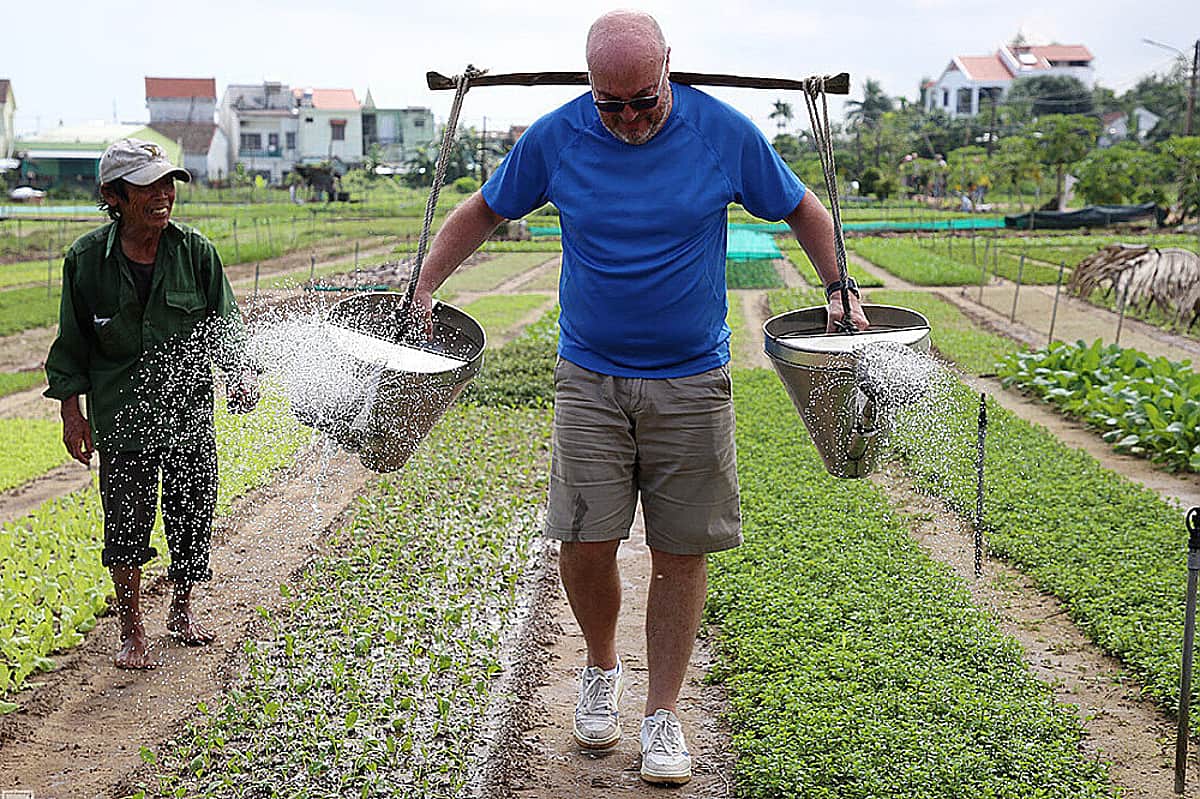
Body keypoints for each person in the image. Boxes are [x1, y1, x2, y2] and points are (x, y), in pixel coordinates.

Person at [412, 10, 868, 786]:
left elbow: (801, 206)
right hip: (588, 374)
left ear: (668, 70)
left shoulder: (722, 132)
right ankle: (600, 667)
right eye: (610, 105)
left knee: (680, 551)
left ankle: (662, 713)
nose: (628, 118)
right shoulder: (557, 137)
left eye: (644, 101)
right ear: (591, 88)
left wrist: (838, 285)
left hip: (692, 378)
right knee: (583, 540)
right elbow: (486, 208)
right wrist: (424, 284)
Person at [44, 138, 259, 670]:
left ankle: (182, 610)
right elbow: (71, 345)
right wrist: (72, 414)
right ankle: (132, 630)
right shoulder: (86, 262)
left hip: (187, 412)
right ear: (113, 196)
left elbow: (226, 325)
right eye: (147, 186)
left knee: (193, 516)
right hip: (123, 418)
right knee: (125, 524)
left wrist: (238, 375)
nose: (163, 194)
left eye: (168, 183)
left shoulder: (196, 253)